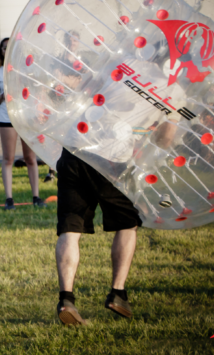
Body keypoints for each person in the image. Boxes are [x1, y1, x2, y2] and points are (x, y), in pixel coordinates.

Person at [54, 55, 180, 325]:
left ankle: (66, 299)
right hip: (112, 158)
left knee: (70, 228)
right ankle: (117, 293)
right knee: (127, 222)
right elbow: (165, 139)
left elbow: (88, 90)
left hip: (75, 145)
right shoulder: (175, 90)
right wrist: (149, 128)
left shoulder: (121, 61)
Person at [0, 38, 46, 210]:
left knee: (30, 158)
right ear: (0, 51)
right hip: (7, 120)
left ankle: (36, 196)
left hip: (26, 119)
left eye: (10, 47)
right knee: (8, 158)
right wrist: (2, 96)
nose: (7, 50)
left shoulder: (26, 71)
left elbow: (37, 92)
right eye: (4, 48)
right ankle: (9, 199)